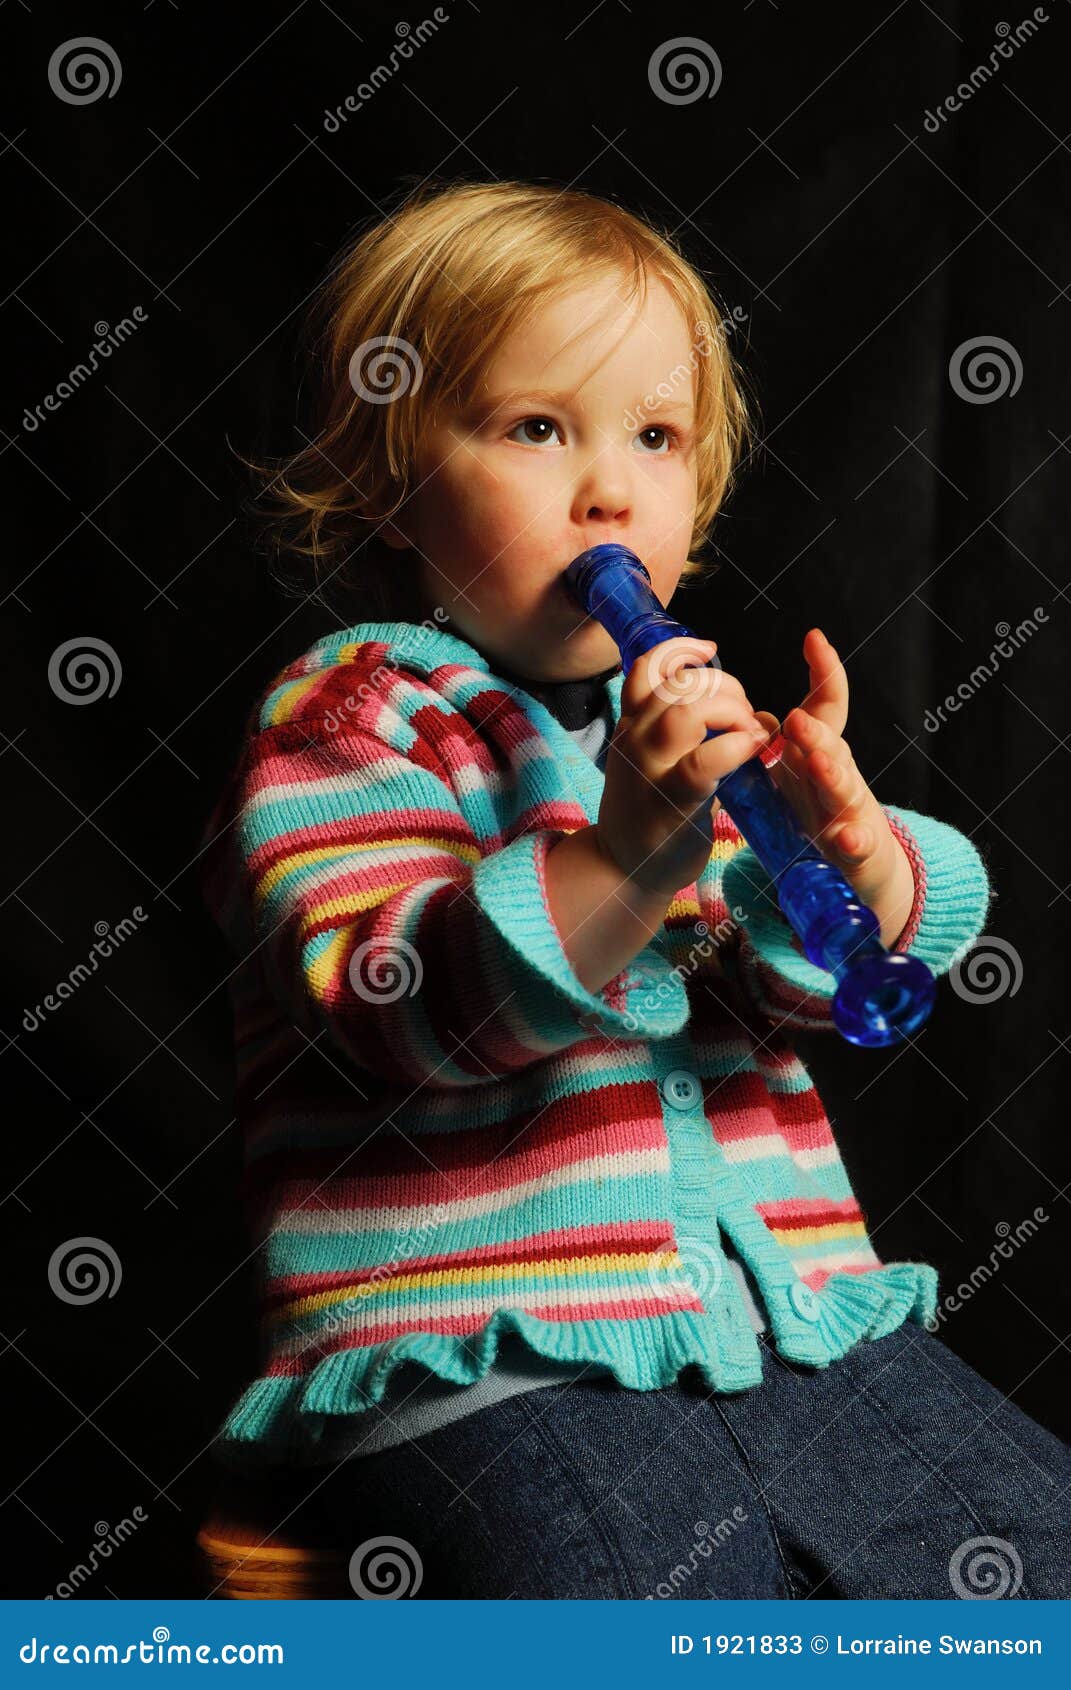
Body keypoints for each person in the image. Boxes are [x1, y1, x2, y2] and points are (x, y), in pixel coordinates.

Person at [197, 179, 1069, 1599]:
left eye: (656, 438)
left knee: (1035, 1568)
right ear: (392, 485)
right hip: (494, 1354)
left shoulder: (673, 736)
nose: (608, 486)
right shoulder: (355, 722)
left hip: (805, 1332)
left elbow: (782, 992)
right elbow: (395, 1007)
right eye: (537, 428)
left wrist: (847, 859)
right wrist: (615, 857)